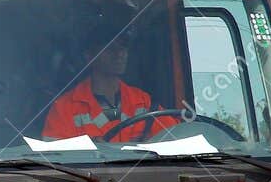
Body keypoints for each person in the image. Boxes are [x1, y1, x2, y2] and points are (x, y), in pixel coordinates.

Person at [42, 9, 177, 142]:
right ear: (89, 56)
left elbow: (177, 138)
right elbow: (54, 158)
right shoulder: (65, 107)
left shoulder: (143, 102)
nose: (119, 54)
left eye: (123, 47)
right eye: (110, 48)